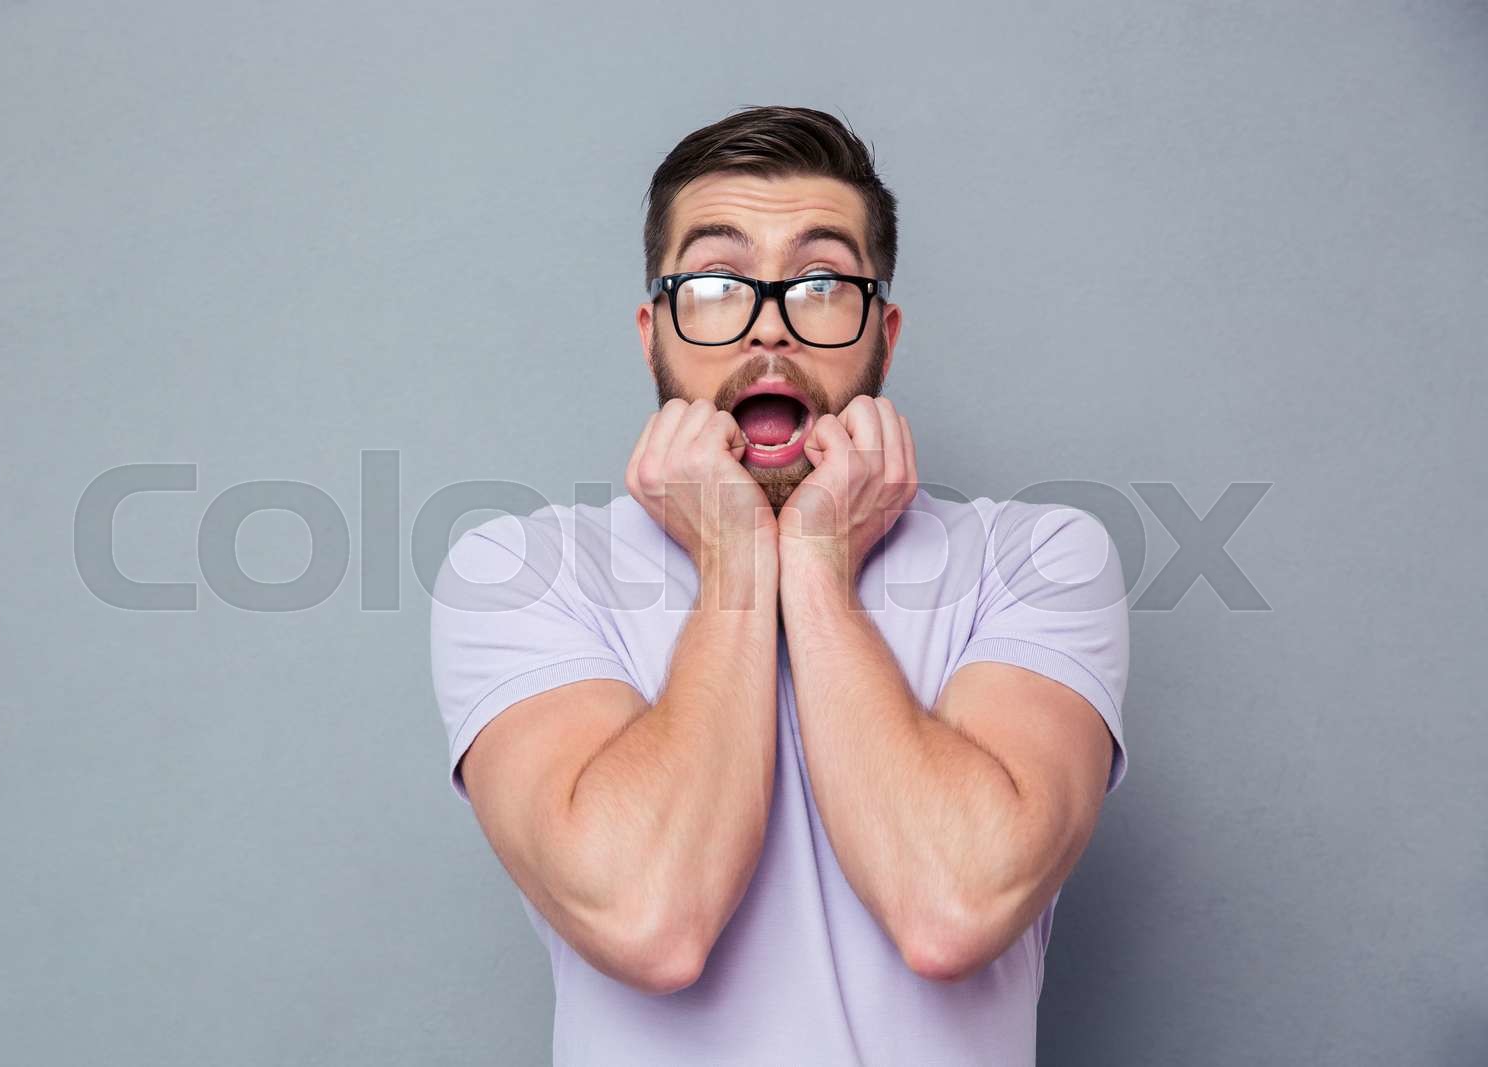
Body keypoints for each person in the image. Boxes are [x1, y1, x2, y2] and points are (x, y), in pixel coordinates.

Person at [429, 105, 1130, 1066]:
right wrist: (734, 562)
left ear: (882, 332)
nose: (769, 328)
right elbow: (649, 921)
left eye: (820, 282)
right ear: (652, 334)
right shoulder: (519, 571)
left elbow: (953, 906)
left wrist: (816, 563)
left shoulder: (1039, 557)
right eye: (716, 282)